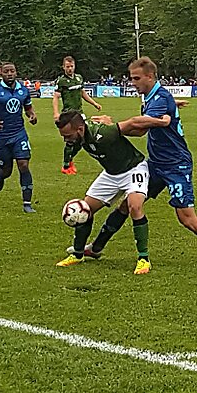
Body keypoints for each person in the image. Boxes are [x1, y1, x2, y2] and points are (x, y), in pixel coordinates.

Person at [84, 57, 197, 265]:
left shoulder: (159, 98)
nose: (133, 83)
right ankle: (96, 248)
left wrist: (112, 127)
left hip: (176, 165)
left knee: (187, 218)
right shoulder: (151, 98)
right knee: (127, 205)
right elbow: (140, 130)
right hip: (155, 164)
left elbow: (138, 124)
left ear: (150, 76)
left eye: (136, 78)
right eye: (131, 78)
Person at [53, 110, 152, 274]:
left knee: (134, 207)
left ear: (79, 129)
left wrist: (162, 121)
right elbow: (72, 145)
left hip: (133, 168)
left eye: (68, 135)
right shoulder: (78, 136)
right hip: (111, 174)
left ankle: (143, 259)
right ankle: (78, 254)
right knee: (85, 209)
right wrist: (67, 162)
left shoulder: (103, 133)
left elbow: (134, 124)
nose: (66, 139)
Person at [0, 62, 38, 213]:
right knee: (7, 170)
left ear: (16, 72)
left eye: (12, 71)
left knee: (24, 165)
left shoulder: (23, 90)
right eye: (6, 71)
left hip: (19, 133)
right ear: (1, 74)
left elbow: (28, 108)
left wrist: (32, 116)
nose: (10, 74)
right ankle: (1, 175)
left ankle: (27, 203)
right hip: (1, 137)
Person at [52, 56, 102, 175]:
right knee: (70, 141)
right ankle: (66, 165)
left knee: (82, 140)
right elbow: (55, 97)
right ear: (63, 67)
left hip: (79, 113)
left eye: (71, 66)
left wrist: (94, 103)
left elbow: (83, 93)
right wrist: (56, 113)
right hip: (68, 115)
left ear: (74, 66)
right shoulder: (61, 81)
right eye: (67, 66)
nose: (70, 69)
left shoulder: (79, 78)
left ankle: (70, 160)